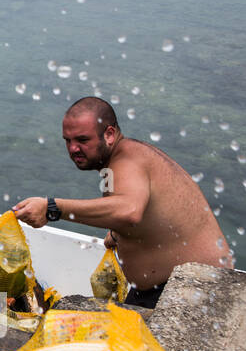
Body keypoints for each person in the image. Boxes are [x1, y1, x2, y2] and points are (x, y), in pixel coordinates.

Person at [12, 96, 232, 307]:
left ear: (109, 134)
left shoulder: (126, 160)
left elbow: (129, 210)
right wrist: (119, 233)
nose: (73, 149)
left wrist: (53, 208)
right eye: (67, 141)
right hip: (154, 289)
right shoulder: (118, 162)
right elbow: (146, 210)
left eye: (82, 140)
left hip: (192, 290)